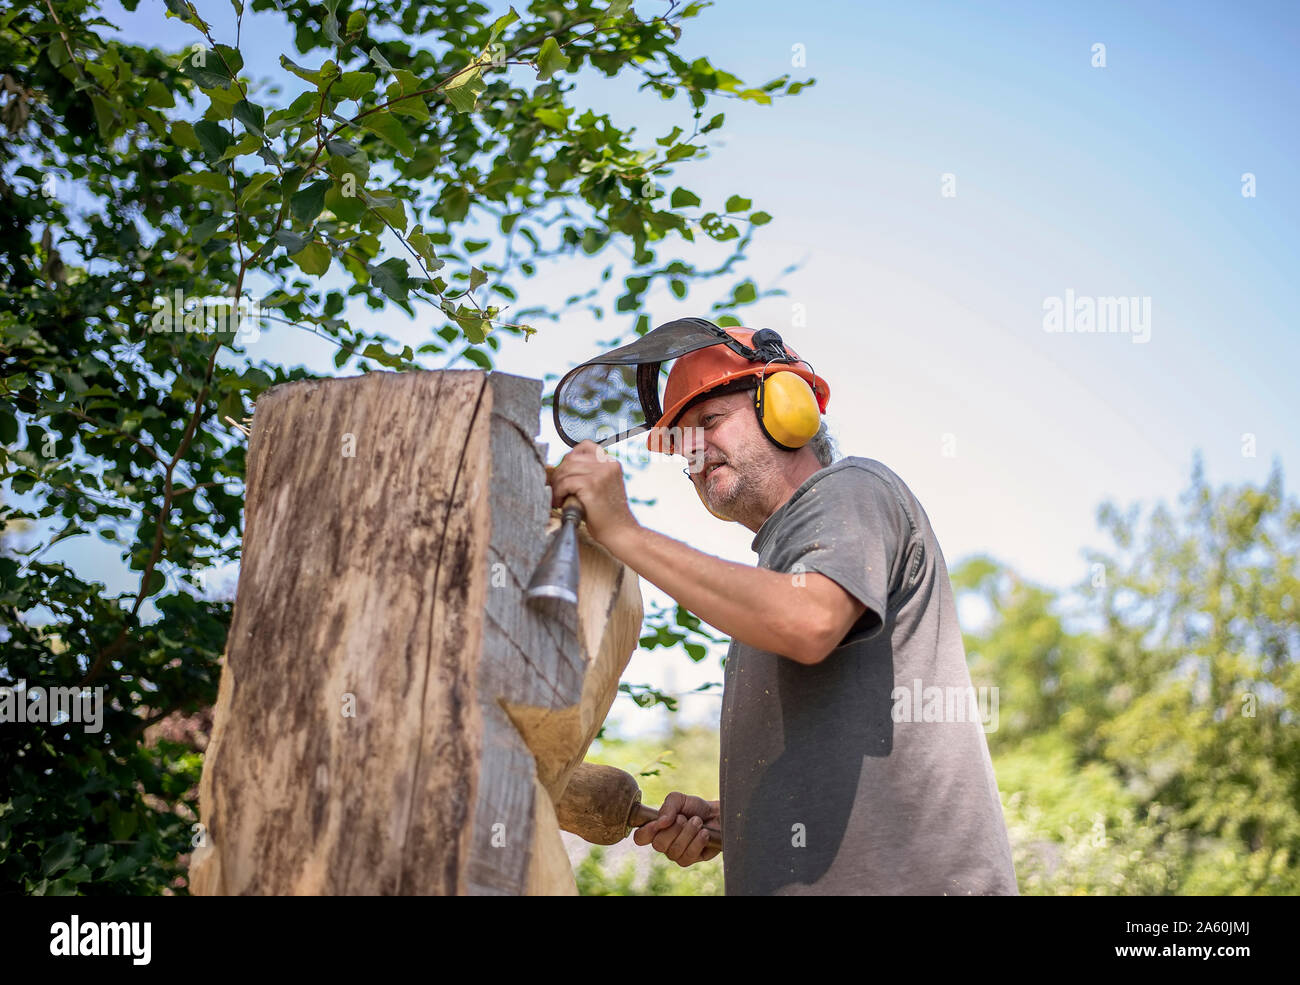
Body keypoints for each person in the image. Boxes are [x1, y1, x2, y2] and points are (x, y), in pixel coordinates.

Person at [546, 326, 1018, 895]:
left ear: (786, 407)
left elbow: (809, 622)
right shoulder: (775, 575)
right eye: (681, 447)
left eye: (709, 423)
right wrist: (747, 821)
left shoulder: (853, 489)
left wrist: (621, 531)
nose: (692, 455)